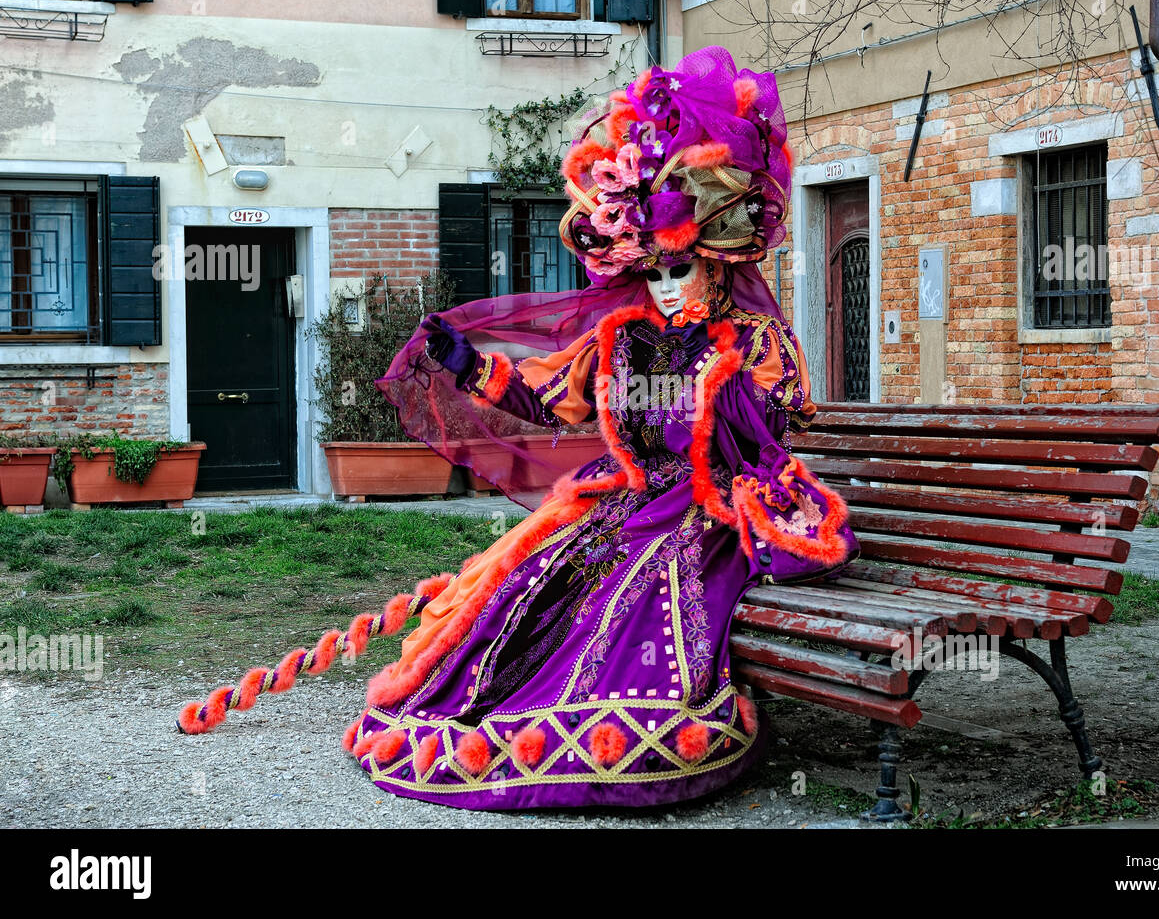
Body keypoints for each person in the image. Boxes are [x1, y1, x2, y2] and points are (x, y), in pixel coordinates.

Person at [176, 46, 857, 812]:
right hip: (623, 501)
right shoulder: (620, 342)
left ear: (717, 262)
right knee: (524, 586)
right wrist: (467, 364)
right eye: (653, 274)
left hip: (706, 514)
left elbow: (769, 424)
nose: (665, 289)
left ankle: (614, 735)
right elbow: (543, 397)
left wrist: (722, 375)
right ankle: (496, 718)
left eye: (680, 270)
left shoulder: (753, 343)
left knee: (628, 598)